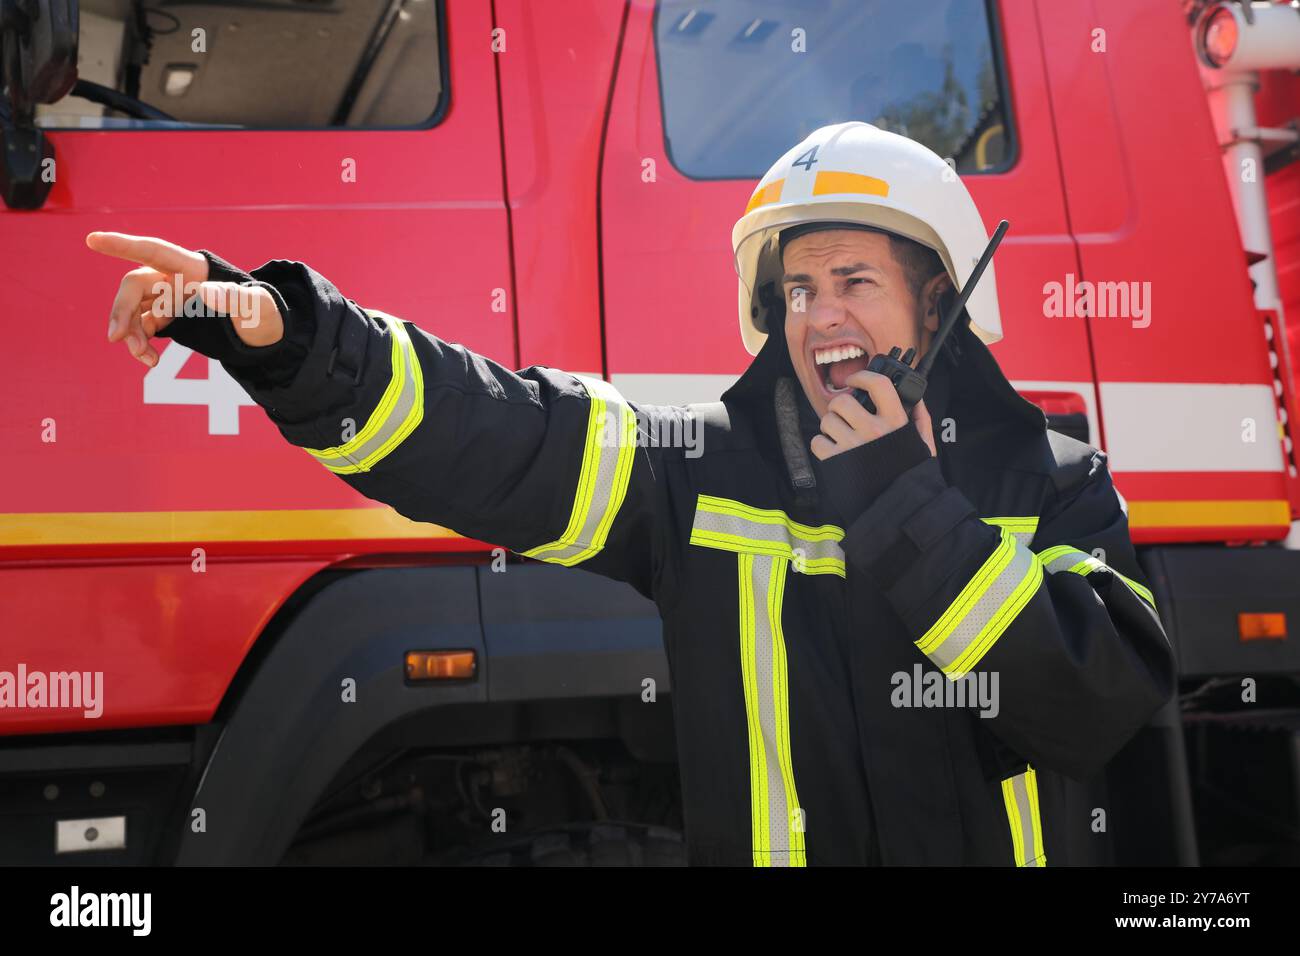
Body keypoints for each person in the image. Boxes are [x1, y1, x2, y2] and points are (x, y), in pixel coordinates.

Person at [89, 121, 1174, 866]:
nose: (821, 314)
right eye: (799, 287)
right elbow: (496, 427)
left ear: (936, 303)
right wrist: (290, 339)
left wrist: (903, 505)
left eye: (855, 281)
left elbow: (1096, 706)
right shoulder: (701, 471)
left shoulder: (1052, 481)